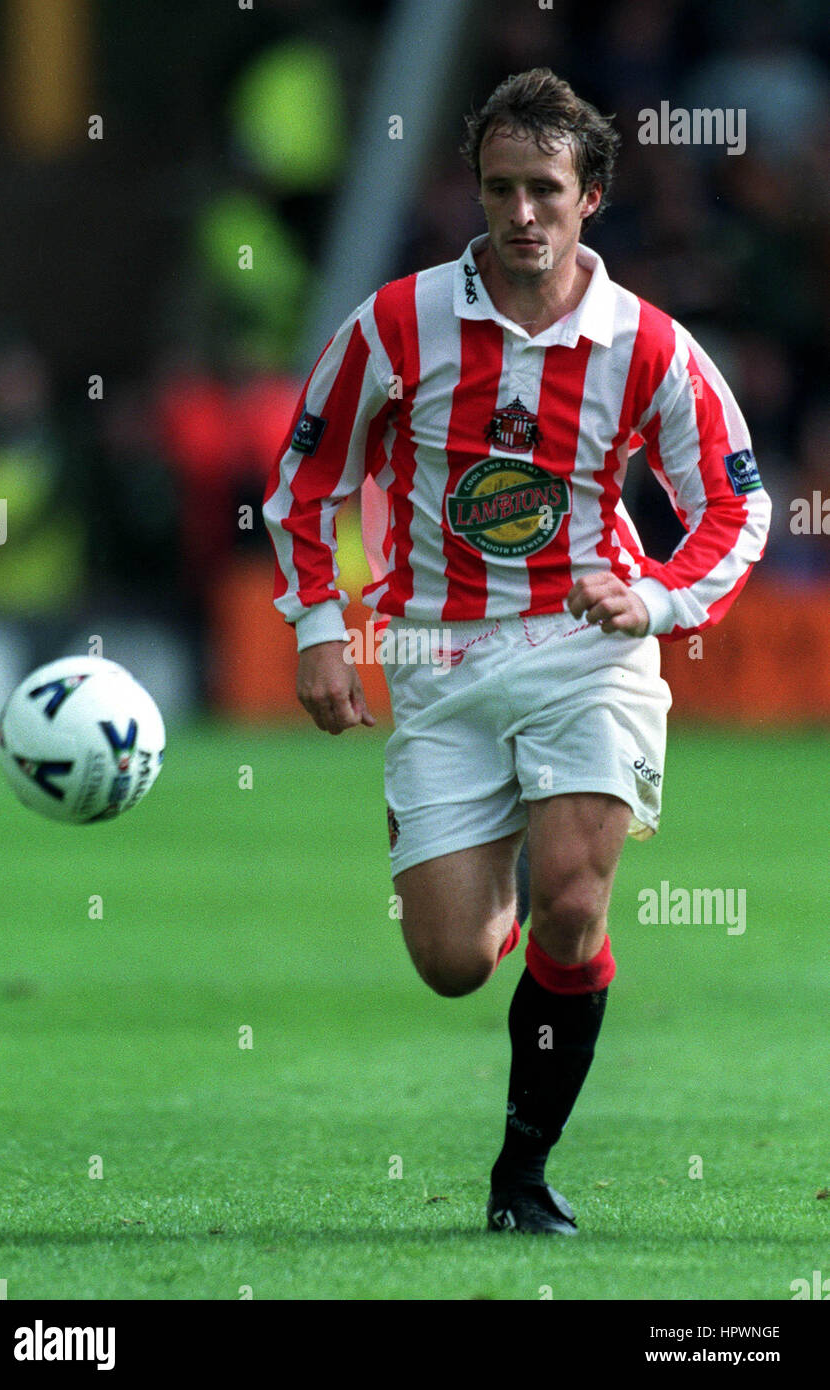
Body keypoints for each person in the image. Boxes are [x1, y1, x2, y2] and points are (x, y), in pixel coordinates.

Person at [263, 68, 771, 1235]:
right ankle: (503, 879)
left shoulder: (645, 345)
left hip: (587, 653)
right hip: (437, 652)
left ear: (589, 194)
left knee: (576, 901)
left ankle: (520, 1179)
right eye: (499, 188)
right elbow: (307, 476)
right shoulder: (395, 324)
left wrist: (653, 603)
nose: (520, 213)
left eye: (544, 188)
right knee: (448, 958)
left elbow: (734, 509)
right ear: (476, 192)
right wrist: (318, 625)